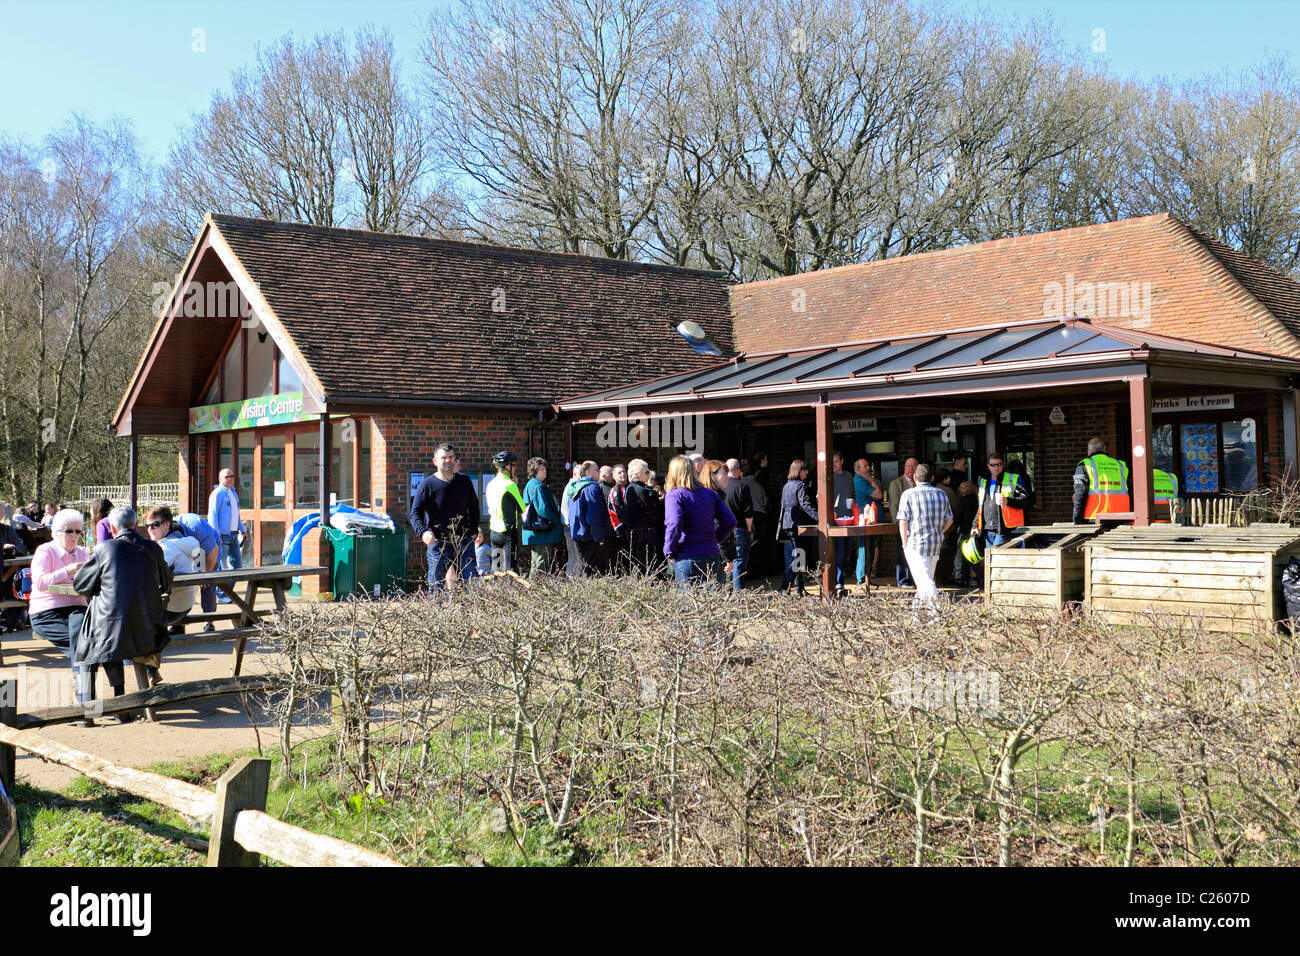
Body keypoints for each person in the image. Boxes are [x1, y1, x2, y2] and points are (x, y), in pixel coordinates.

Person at [72, 506, 172, 722]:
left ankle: (88, 714)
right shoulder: (153, 548)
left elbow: (80, 585)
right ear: (136, 526)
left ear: (113, 528)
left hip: (113, 631)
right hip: (149, 631)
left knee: (86, 648)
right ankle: (121, 707)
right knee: (109, 639)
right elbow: (165, 582)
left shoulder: (104, 549)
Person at [29, 509, 91, 721]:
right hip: (47, 612)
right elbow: (39, 582)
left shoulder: (84, 553)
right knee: (84, 645)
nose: (74, 535)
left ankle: (85, 705)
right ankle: (85, 705)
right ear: (56, 533)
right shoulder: (45, 551)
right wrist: (69, 570)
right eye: (69, 531)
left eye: (78, 531)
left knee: (87, 641)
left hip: (77, 609)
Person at [409, 442, 481, 591]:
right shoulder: (427, 485)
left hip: (463, 541)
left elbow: (474, 507)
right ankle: (437, 613)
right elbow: (415, 513)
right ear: (435, 461)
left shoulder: (464, 481)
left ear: (455, 459)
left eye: (451, 457)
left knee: (471, 585)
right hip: (438, 543)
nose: (448, 460)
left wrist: (473, 530)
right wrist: (423, 532)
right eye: (443, 457)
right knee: (436, 588)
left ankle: (468, 614)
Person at [663, 455, 736, 588]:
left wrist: (669, 549)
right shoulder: (710, 494)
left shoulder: (674, 495)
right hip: (711, 554)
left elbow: (674, 524)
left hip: (687, 555)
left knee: (690, 605)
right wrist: (714, 539)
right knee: (713, 604)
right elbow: (730, 521)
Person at [897, 463, 953, 615]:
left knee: (925, 582)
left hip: (915, 544)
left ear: (915, 478)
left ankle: (937, 615)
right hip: (935, 544)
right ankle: (916, 615)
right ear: (932, 477)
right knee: (924, 580)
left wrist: (904, 544)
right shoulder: (941, 494)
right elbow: (950, 520)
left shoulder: (908, 495)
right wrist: (939, 531)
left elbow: (903, 521)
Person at [145, 506, 201, 653]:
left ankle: (141, 659)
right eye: (148, 525)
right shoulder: (181, 543)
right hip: (187, 605)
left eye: (155, 524)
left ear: (167, 523)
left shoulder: (165, 548)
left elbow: (149, 576)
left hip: (171, 610)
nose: (150, 529)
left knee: (130, 612)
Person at [172, 511, 221, 626]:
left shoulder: (195, 526)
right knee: (181, 587)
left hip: (209, 550)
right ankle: (178, 624)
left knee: (208, 584)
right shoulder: (163, 534)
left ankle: (208, 621)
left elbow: (213, 550)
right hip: (189, 552)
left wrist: (205, 574)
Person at [973, 452, 1030, 549]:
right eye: (993, 465)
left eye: (999, 464)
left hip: (1005, 529)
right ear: (988, 466)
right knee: (991, 559)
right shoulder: (984, 482)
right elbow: (980, 506)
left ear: (1003, 465)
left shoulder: (1014, 479)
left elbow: (1026, 500)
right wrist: (975, 525)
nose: (996, 468)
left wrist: (1008, 501)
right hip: (988, 529)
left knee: (995, 558)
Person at [778, 459, 818, 595]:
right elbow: (805, 505)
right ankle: (784, 587)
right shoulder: (800, 485)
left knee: (795, 556)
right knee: (800, 557)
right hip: (796, 524)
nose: (807, 472)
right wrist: (820, 518)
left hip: (787, 524)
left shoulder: (786, 486)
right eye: (805, 470)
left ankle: (799, 589)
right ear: (799, 471)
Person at [568, 460, 614, 575]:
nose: (599, 472)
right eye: (596, 470)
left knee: (583, 571)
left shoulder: (575, 487)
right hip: (591, 538)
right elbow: (594, 516)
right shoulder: (591, 488)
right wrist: (600, 538)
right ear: (588, 472)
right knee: (593, 574)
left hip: (579, 536)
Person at [521, 457, 565, 577]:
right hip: (542, 533)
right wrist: (556, 520)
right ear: (534, 471)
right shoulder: (538, 486)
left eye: (545, 469)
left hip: (534, 532)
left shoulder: (530, 485)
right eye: (541, 469)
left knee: (536, 564)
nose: (545, 471)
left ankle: (532, 590)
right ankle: (535, 591)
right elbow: (543, 509)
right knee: (541, 565)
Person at [207, 468, 245, 603]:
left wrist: (242, 530)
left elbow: (236, 515)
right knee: (221, 567)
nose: (230, 478)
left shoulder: (233, 493)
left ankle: (226, 594)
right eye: (227, 476)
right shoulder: (217, 494)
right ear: (220, 479)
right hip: (223, 536)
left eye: (232, 476)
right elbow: (212, 516)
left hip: (234, 535)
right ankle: (222, 596)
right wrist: (217, 536)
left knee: (237, 566)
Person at [1072, 437, 1131, 522]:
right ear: (1104, 449)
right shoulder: (1121, 465)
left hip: (1094, 517)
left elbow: (1080, 493)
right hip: (1122, 516)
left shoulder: (1085, 464)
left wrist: (1077, 518)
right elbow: (1131, 489)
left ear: (1088, 452)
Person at [485, 450, 525, 573]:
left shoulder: (490, 484)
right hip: (508, 534)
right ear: (507, 466)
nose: (515, 468)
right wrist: (515, 486)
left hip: (494, 533)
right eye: (513, 465)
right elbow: (523, 508)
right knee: (510, 570)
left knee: (496, 570)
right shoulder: (510, 485)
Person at [624, 458, 665, 575]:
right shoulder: (641, 490)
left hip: (637, 531)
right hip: (645, 532)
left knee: (640, 564)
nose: (649, 474)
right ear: (637, 474)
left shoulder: (631, 488)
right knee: (647, 564)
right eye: (646, 472)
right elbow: (653, 511)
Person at [888, 457, 919, 587]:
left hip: (917, 525)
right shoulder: (896, 483)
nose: (911, 469)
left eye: (914, 467)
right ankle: (903, 580)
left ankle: (915, 579)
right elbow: (894, 505)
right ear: (904, 468)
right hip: (904, 524)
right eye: (908, 466)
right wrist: (899, 524)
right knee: (903, 552)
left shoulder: (919, 483)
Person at [723, 458, 754, 590]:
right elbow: (749, 513)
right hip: (739, 528)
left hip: (722, 530)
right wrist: (748, 529)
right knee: (739, 562)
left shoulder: (720, 486)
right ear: (738, 470)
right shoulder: (742, 486)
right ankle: (738, 595)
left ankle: (726, 593)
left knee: (726, 562)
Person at [853, 458, 884, 584]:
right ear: (858, 469)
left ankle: (865, 577)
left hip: (870, 517)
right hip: (865, 518)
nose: (868, 468)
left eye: (868, 465)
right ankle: (861, 577)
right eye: (864, 466)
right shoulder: (860, 481)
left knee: (869, 547)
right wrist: (873, 482)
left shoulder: (863, 480)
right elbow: (878, 495)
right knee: (864, 547)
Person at [831, 451, 858, 595]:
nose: (833, 465)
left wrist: (853, 502)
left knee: (848, 553)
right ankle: (838, 584)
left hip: (848, 519)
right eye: (831, 462)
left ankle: (840, 581)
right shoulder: (828, 477)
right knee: (839, 553)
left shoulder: (848, 476)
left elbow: (853, 494)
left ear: (842, 461)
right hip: (835, 520)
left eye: (835, 461)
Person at [934, 468, 962, 586]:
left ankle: (937, 576)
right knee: (947, 554)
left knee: (937, 553)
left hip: (935, 527)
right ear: (947, 479)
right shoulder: (948, 491)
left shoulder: (933, 490)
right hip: (948, 527)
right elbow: (957, 507)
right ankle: (944, 577)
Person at [745, 457, 770, 578]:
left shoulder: (741, 483)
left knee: (748, 542)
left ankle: (748, 570)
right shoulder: (757, 484)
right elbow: (765, 500)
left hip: (747, 515)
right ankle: (759, 569)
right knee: (758, 542)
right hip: (760, 514)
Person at [561, 462, 585, 577]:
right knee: (574, 558)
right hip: (571, 527)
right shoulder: (572, 487)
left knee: (575, 557)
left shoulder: (571, 486)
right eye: (582, 474)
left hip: (570, 527)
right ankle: (570, 584)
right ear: (576, 474)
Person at [953, 480, 979, 586]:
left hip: (964, 530)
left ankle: (961, 577)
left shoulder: (962, 501)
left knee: (961, 555)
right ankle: (974, 578)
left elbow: (958, 517)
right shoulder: (977, 501)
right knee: (973, 555)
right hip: (975, 530)